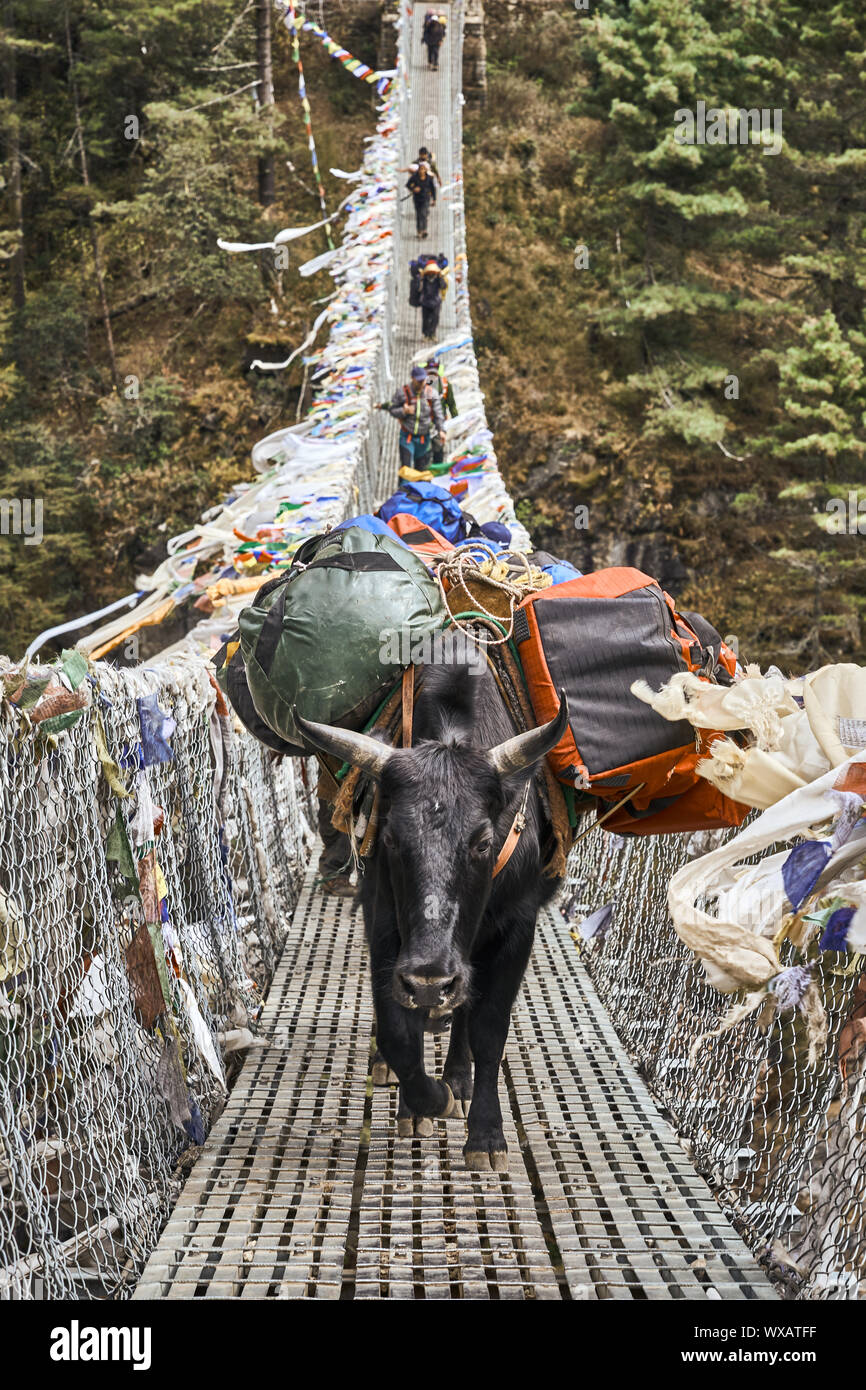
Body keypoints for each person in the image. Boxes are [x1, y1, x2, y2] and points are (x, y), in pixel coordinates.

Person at [387, 365, 445, 473]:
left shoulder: (430, 393)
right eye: (419, 381)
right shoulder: (402, 392)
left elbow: (438, 413)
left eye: (423, 380)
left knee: (421, 471)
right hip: (407, 437)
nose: (422, 383)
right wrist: (404, 411)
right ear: (412, 379)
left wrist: (441, 430)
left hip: (424, 437)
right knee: (406, 470)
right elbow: (392, 409)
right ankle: (404, 488)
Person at [426, 354, 458, 464]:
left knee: (438, 449)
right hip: (424, 422)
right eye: (430, 372)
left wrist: (456, 421)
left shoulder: (445, 385)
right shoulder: (420, 385)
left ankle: (436, 471)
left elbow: (451, 404)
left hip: (440, 422)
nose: (432, 375)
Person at [419, 254, 447, 340]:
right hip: (426, 301)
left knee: (435, 318)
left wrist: (441, 277)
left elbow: (443, 286)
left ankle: (432, 334)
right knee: (426, 319)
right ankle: (426, 334)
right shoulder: (424, 279)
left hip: (435, 301)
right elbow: (419, 288)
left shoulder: (438, 279)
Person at [406, 162, 435, 237]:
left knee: (424, 213)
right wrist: (413, 189)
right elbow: (408, 185)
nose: (421, 171)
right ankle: (419, 230)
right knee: (419, 214)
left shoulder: (428, 178)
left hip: (426, 198)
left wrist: (434, 199)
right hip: (417, 198)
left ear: (425, 170)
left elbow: (432, 189)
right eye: (420, 169)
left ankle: (424, 230)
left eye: (423, 169)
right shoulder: (415, 177)